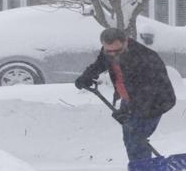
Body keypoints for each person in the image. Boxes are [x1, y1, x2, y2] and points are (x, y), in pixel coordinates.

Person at [73, 27, 177, 163]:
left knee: (135, 138)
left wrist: (129, 112)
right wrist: (86, 76)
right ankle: (142, 169)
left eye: (117, 51)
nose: (113, 55)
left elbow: (147, 91)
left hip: (155, 102)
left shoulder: (145, 58)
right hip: (130, 99)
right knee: (131, 137)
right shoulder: (109, 52)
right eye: (109, 51)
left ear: (126, 42)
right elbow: (101, 63)